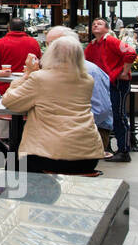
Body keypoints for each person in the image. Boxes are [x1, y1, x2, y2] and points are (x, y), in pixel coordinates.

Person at [0, 36, 104, 175]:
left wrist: (28, 74)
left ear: (50, 54)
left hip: (49, 155)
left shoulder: (40, 78)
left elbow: (9, 101)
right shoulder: (87, 80)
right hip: (88, 156)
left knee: (15, 165)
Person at [47, 25, 112, 153]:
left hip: (90, 131)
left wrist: (70, 126)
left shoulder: (90, 71)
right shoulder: (52, 71)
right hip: (63, 131)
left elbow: (100, 110)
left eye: (53, 44)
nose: (49, 49)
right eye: (47, 44)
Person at [85, 18, 138, 163]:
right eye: (94, 24)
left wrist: (124, 72)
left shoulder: (111, 41)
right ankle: (106, 146)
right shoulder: (93, 45)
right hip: (104, 83)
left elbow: (130, 52)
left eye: (100, 24)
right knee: (106, 114)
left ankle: (124, 151)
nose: (95, 25)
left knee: (118, 115)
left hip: (117, 83)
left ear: (107, 29)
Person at [0, 18, 40, 94]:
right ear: (24, 28)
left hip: (5, 88)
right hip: (29, 87)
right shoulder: (34, 43)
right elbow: (39, 64)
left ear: (8, 28)